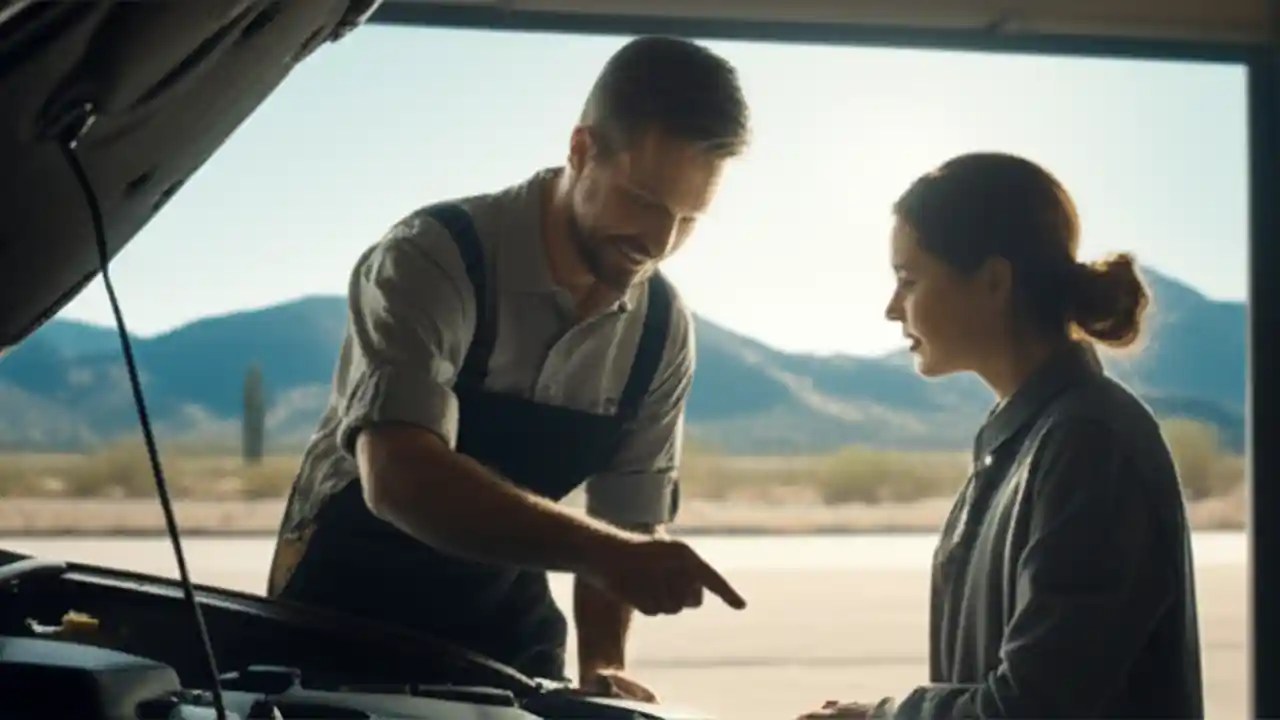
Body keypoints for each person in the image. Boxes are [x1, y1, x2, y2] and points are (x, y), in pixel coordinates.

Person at [264, 35, 752, 699]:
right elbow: (399, 477)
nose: (659, 242)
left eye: (688, 218)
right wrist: (605, 553)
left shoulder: (663, 330)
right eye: (641, 199)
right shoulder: (434, 257)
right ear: (580, 151)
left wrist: (603, 664)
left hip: (506, 626)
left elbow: (629, 519)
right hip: (340, 616)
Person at [796, 152, 1204, 719]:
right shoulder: (1027, 441)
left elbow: (1031, 708)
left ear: (993, 280)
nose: (893, 309)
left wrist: (883, 719)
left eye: (909, 280)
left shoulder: (1088, 446)